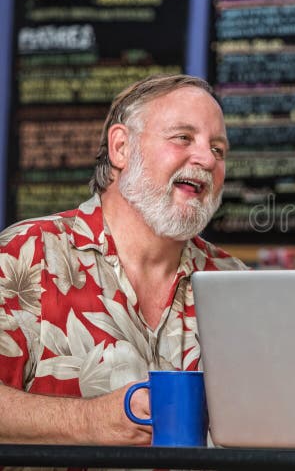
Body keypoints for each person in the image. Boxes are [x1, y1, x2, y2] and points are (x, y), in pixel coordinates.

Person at [0, 74, 247, 445]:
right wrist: (89, 421)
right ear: (121, 147)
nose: (206, 159)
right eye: (183, 137)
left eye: (218, 149)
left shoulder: (235, 283)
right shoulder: (26, 254)